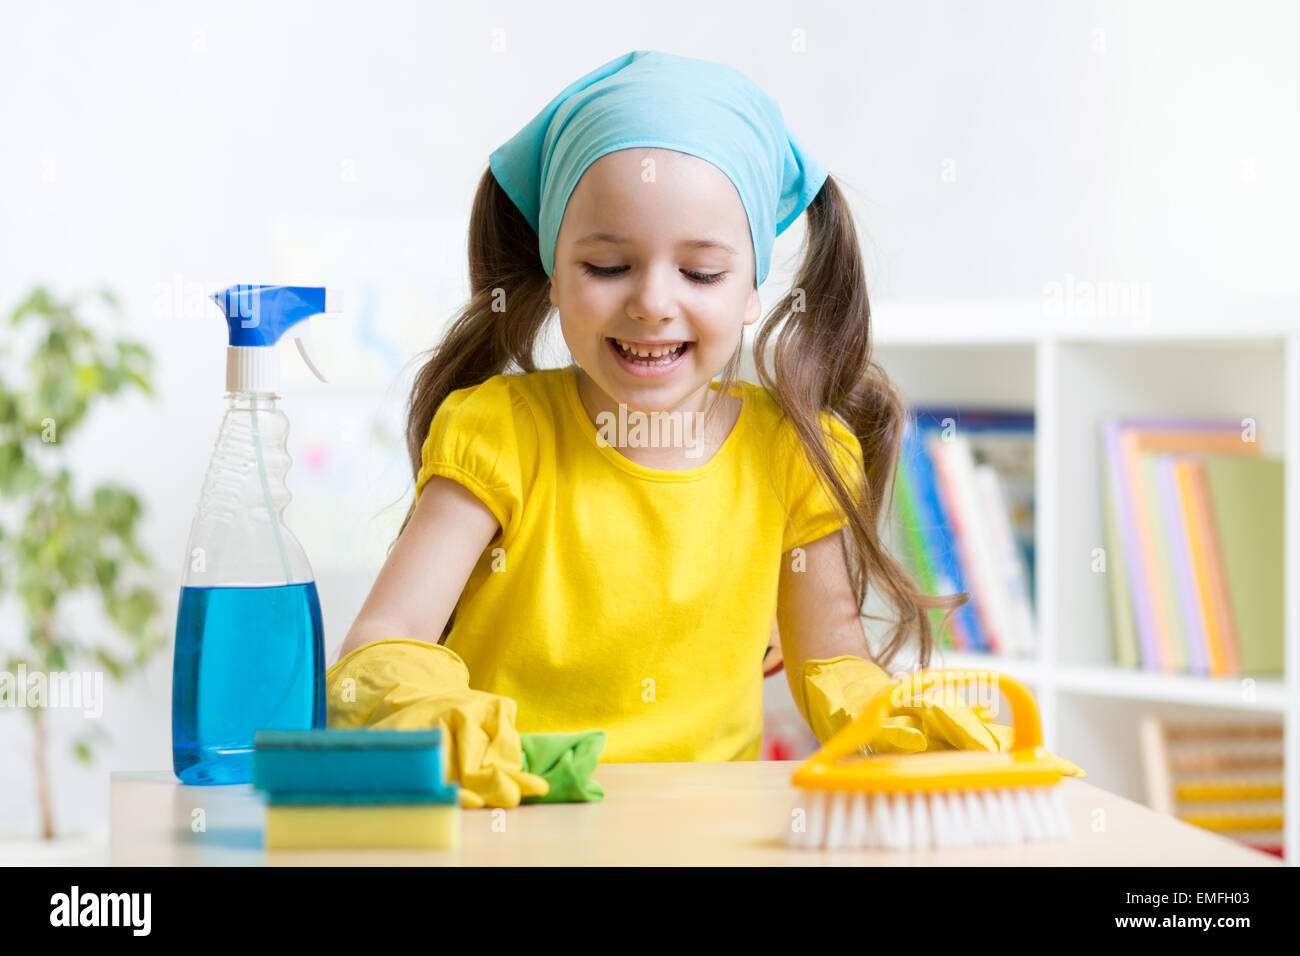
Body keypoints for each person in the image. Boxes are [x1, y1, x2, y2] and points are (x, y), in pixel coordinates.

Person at [326, 50, 1077, 808]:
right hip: (516, 822)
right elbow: (381, 643)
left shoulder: (792, 453)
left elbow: (832, 664)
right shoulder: (501, 435)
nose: (652, 302)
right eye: (608, 266)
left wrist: (896, 719)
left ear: (754, 288)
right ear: (554, 272)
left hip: (706, 833)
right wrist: (430, 713)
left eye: (702, 273)